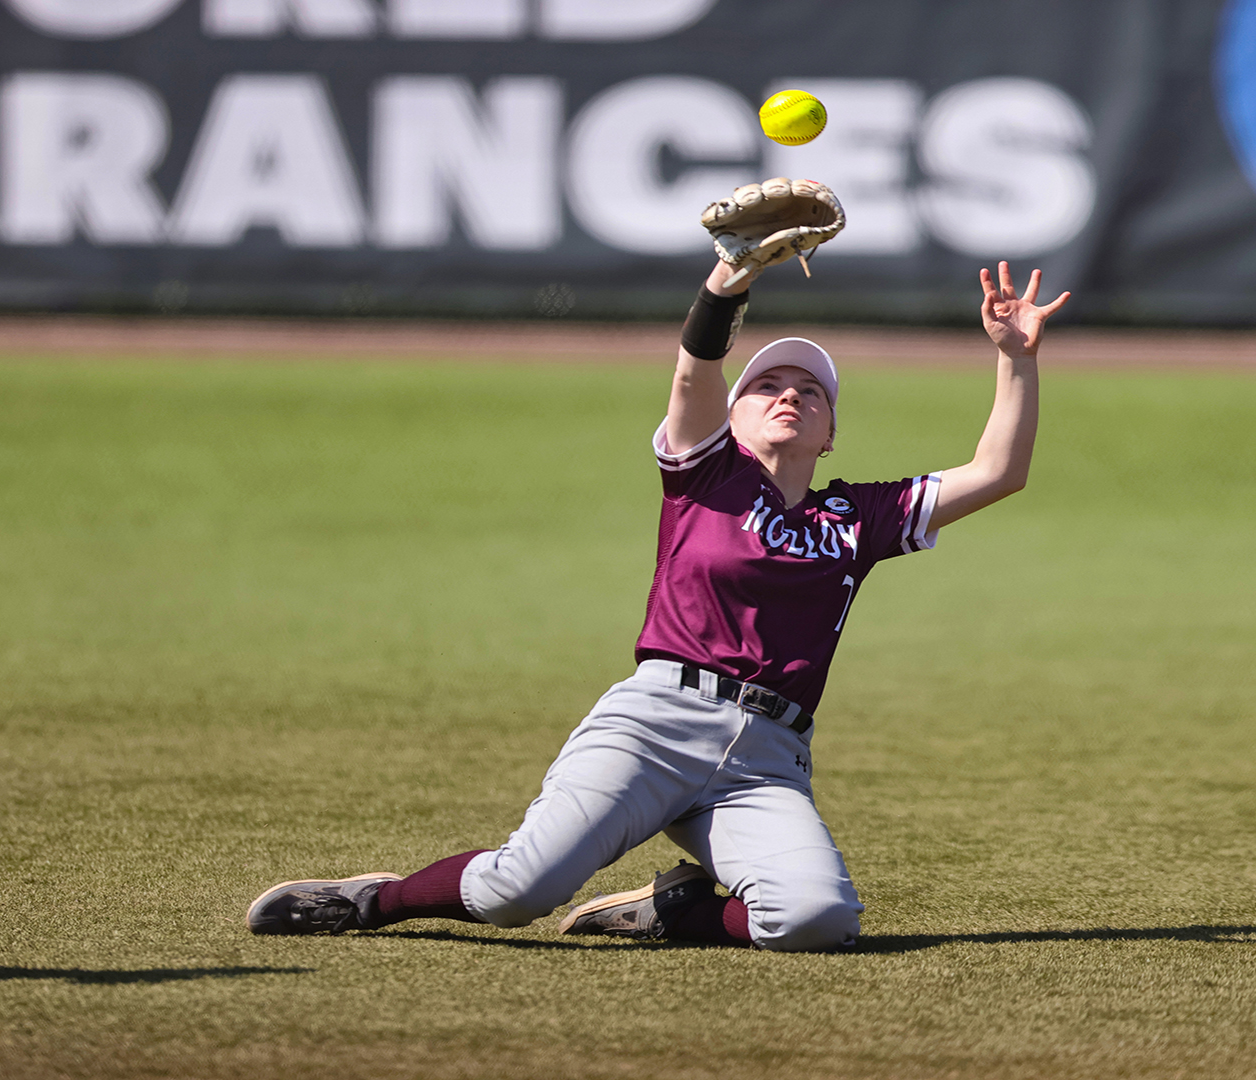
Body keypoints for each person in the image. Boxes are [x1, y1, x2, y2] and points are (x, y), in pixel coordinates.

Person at [247, 257, 1070, 951]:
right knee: (516, 893)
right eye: (769, 386)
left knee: (817, 918)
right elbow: (694, 369)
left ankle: (680, 912)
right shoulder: (706, 474)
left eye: (811, 393)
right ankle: (375, 901)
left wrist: (1016, 357)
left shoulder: (857, 519)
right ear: (734, 419)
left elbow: (1000, 472)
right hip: (655, 722)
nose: (790, 396)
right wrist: (728, 278)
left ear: (829, 437)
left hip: (765, 760)